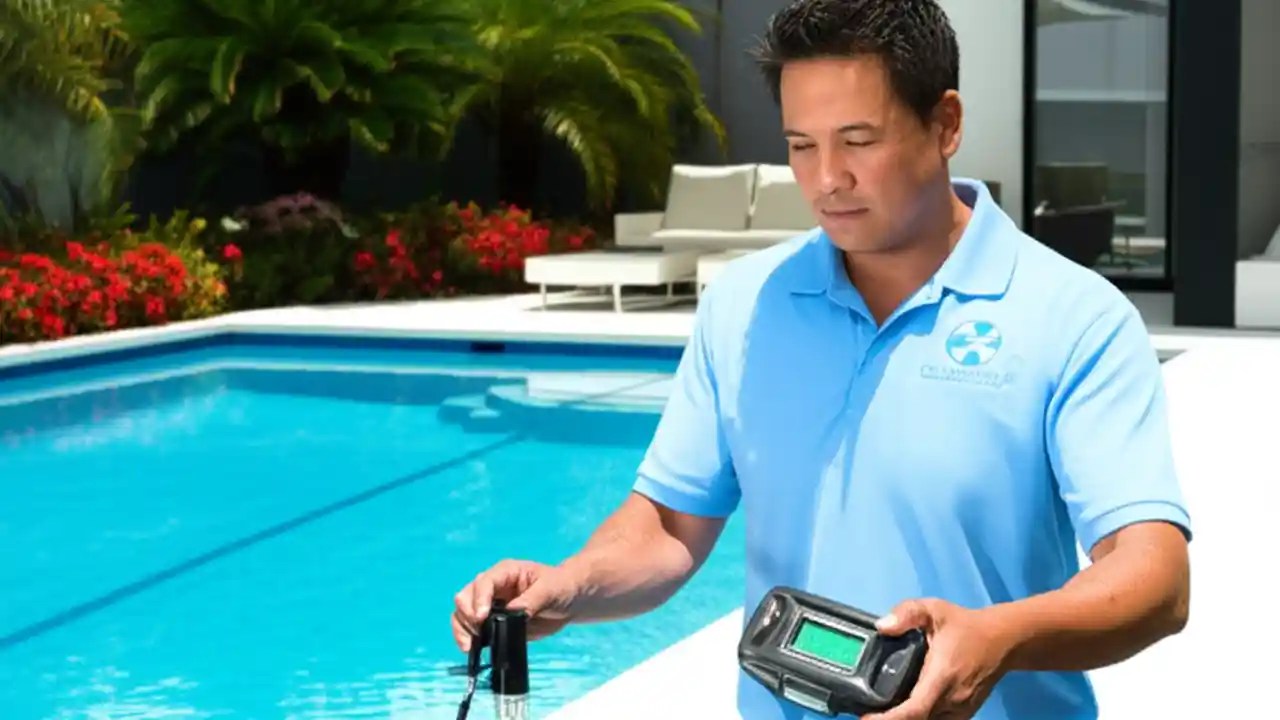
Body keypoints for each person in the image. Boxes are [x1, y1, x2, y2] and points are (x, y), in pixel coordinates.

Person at [451, 1, 1192, 718]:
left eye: (858, 140)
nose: (825, 177)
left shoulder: (1074, 318)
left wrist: (999, 637)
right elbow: (671, 528)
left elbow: (1155, 578)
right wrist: (570, 584)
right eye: (801, 144)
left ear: (946, 124)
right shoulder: (744, 305)